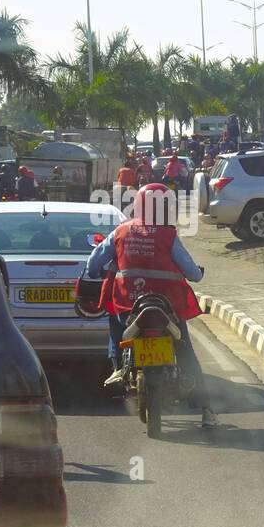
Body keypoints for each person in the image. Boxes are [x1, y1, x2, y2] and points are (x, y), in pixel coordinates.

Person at [86, 183, 219, 428]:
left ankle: (117, 369)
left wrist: (92, 272)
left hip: (128, 304)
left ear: (138, 205)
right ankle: (207, 410)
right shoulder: (169, 236)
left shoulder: (121, 231)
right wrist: (198, 274)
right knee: (186, 351)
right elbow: (192, 272)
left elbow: (94, 263)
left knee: (115, 325)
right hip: (167, 307)